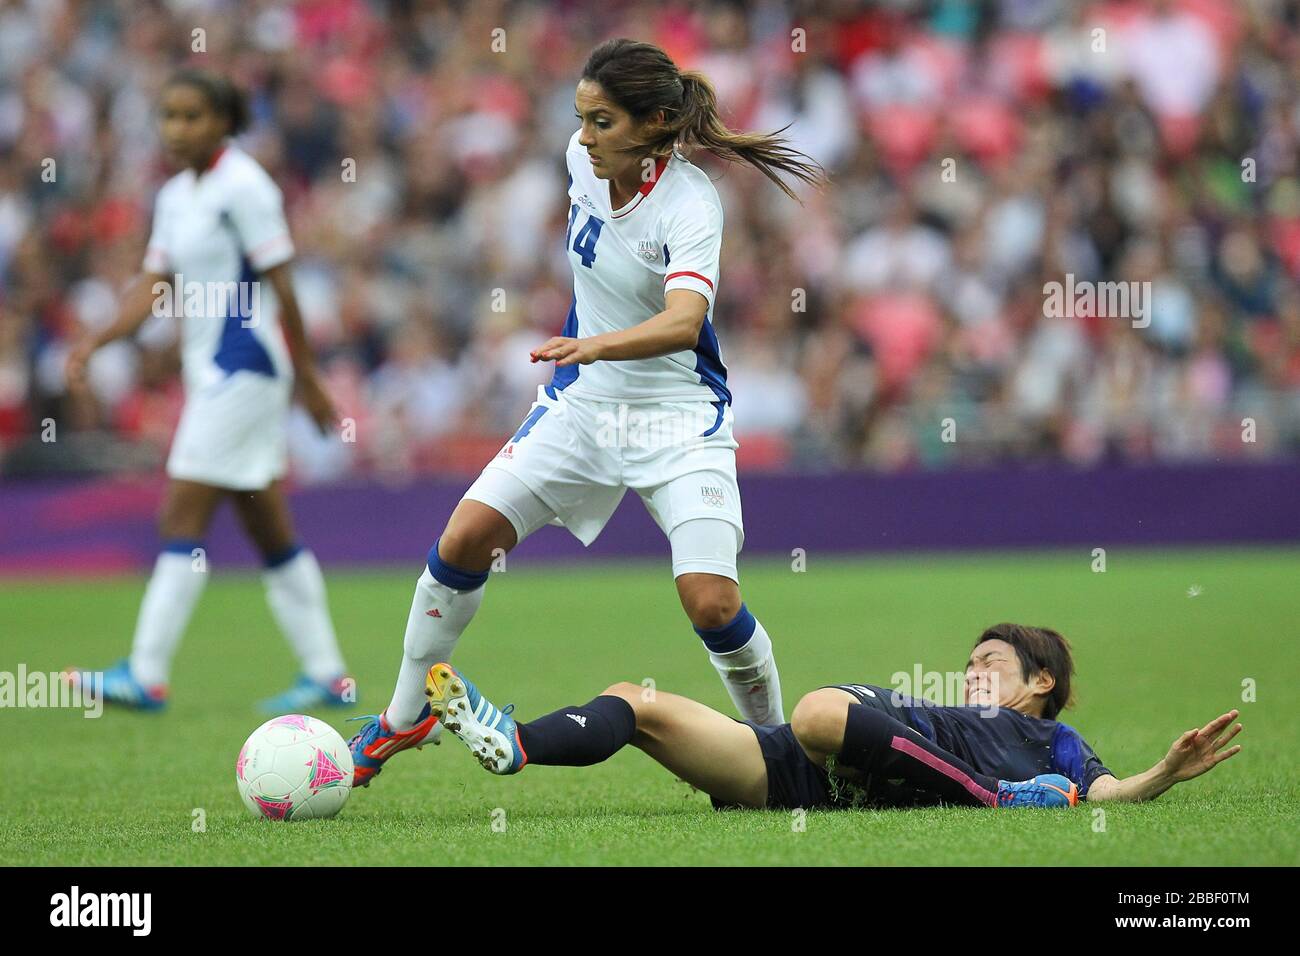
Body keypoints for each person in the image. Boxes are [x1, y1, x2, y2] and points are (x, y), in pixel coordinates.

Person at [348, 38, 827, 786]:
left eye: (602, 122)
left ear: (656, 123)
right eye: (580, 119)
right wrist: (587, 354)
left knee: (710, 600)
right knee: (466, 537)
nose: (584, 137)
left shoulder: (693, 201)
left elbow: (682, 320)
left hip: (676, 418)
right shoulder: (583, 162)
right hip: (583, 407)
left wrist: (594, 345)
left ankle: (778, 752)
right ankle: (402, 718)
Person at [64, 70, 350, 714]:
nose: (176, 128)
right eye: (168, 116)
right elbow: (152, 284)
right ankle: (329, 674)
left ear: (225, 121)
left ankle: (146, 672)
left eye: (191, 116)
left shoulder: (245, 188)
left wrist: (307, 378)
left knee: (180, 514)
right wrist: (97, 340)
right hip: (215, 375)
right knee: (266, 522)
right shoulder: (174, 195)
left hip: (246, 367)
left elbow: (283, 287)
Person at [424, 623, 1243, 812]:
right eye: (970, 662)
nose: (972, 672)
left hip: (833, 744)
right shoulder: (944, 714)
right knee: (639, 704)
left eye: (989, 663)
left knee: (819, 709)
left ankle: (987, 801)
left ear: (1041, 682)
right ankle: (515, 741)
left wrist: (1163, 774)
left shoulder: (1048, 739)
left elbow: (1097, 796)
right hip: (797, 766)